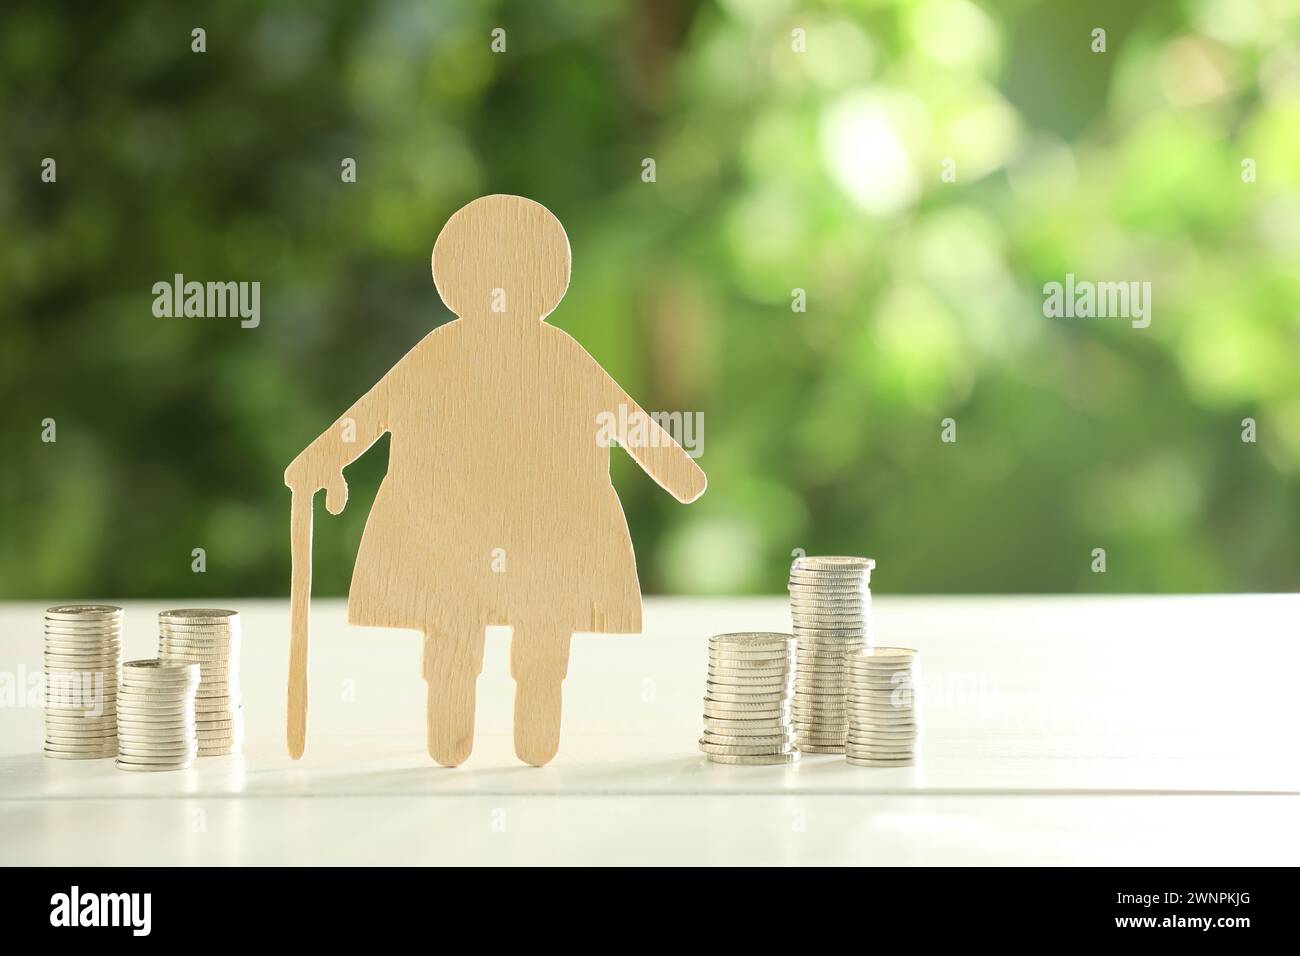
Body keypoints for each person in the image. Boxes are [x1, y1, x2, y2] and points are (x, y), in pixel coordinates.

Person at [285, 195, 706, 767]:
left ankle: (515, 703)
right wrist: (321, 458)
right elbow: (632, 425)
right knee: (471, 624)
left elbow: (369, 415)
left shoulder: (530, 355)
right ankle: (479, 709)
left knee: (500, 625)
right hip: (477, 532)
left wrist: (320, 459)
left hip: (514, 532)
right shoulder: (524, 354)